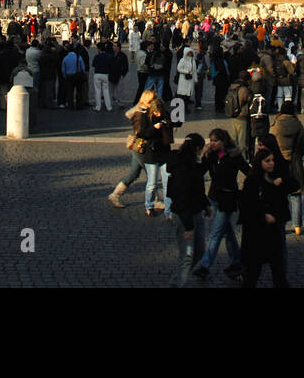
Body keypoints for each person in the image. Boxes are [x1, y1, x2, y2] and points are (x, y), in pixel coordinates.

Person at [192, 127, 250, 282]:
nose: (212, 144)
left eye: (215, 141)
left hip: (228, 199)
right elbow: (199, 172)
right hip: (214, 197)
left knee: (216, 233)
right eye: (210, 141)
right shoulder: (211, 156)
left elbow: (248, 172)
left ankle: (205, 266)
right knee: (227, 232)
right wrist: (202, 155)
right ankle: (237, 262)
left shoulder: (234, 156)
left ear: (223, 141)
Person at [107, 90, 173, 215]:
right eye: (154, 98)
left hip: (140, 148)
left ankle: (115, 194)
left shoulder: (151, 110)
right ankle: (153, 201)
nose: (156, 100)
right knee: (150, 176)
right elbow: (137, 125)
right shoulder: (141, 111)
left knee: (134, 173)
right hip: (141, 148)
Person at [238, 148, 291, 288]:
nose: (271, 163)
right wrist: (263, 216)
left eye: (272, 160)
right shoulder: (252, 181)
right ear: (259, 162)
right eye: (267, 161)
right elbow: (246, 206)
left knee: (278, 272)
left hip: (273, 233)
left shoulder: (275, 178)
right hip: (256, 234)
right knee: (252, 274)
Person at [164, 133, 209, 287]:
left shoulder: (192, 163)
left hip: (195, 212)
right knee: (188, 255)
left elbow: (198, 186)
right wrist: (188, 226)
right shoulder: (183, 168)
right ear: (197, 148)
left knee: (199, 251)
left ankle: (176, 281)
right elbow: (181, 198)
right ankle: (178, 283)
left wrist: (205, 204)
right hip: (185, 217)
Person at [270, 100, 304, 235]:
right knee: (295, 196)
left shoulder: (276, 125)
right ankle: (297, 226)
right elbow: (303, 144)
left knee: (280, 196)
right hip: (295, 163)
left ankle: (281, 224)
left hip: (280, 164)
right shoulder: (298, 125)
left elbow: (271, 143)